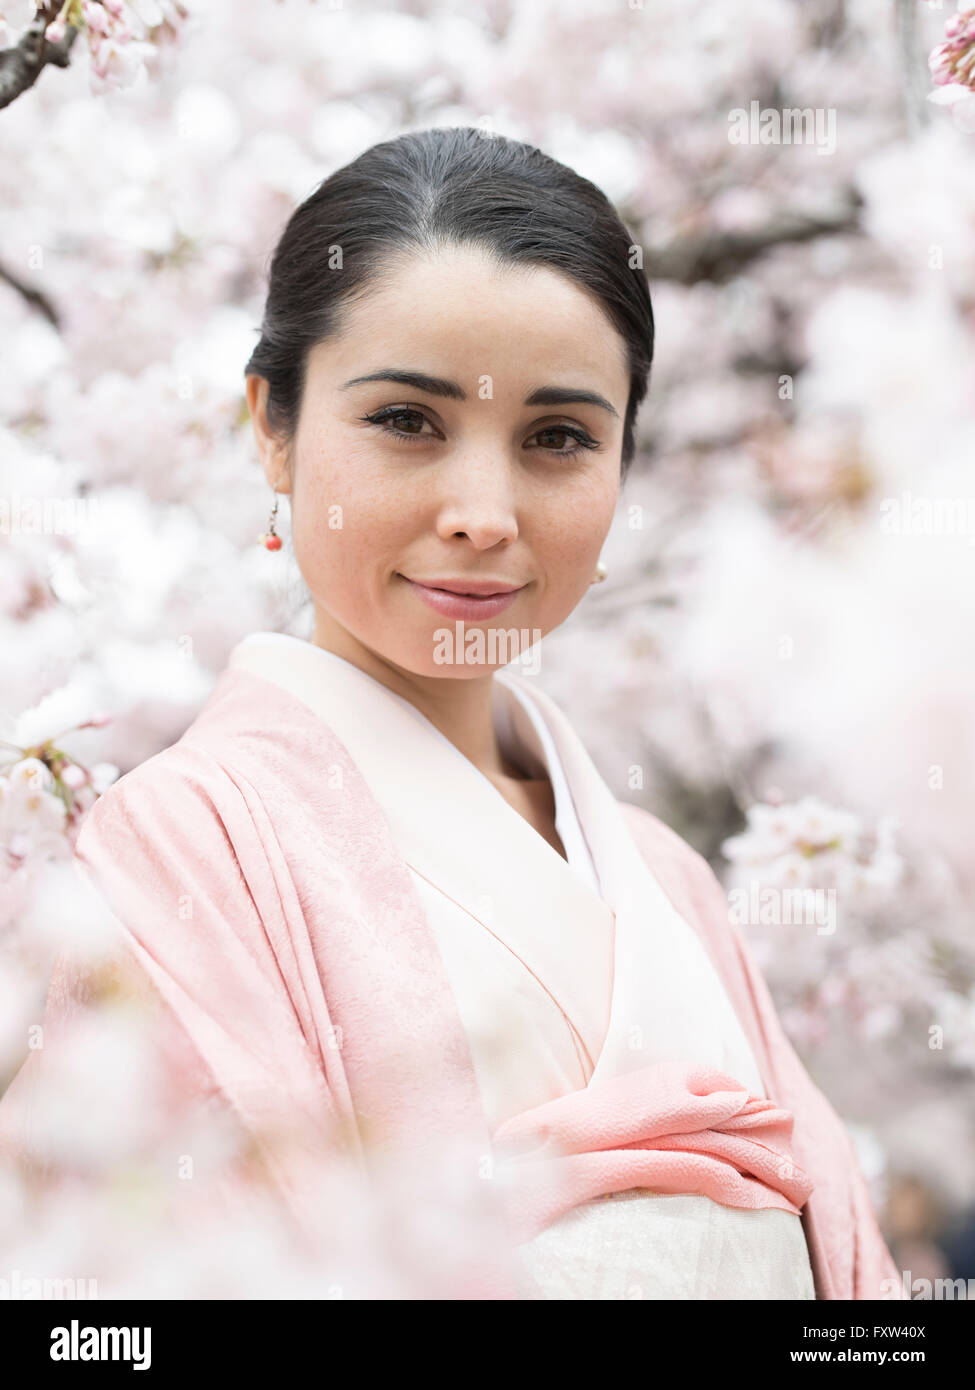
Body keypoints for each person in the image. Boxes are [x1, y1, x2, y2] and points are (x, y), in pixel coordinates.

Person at [1, 126, 904, 1300]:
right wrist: (464, 1215)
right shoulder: (172, 848)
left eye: (559, 438)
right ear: (271, 425)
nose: (484, 511)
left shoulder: (667, 877)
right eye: (408, 421)